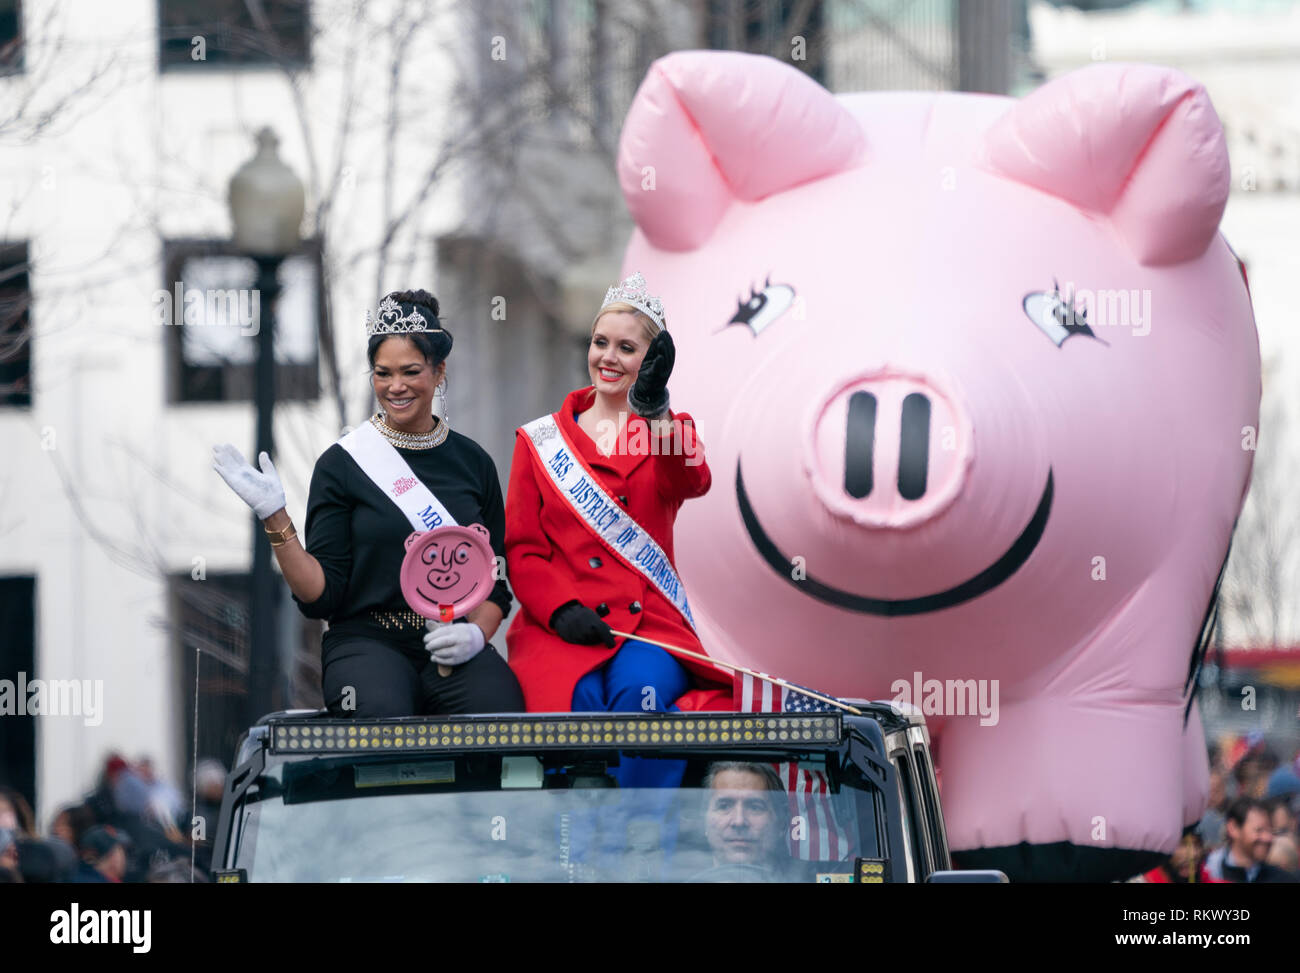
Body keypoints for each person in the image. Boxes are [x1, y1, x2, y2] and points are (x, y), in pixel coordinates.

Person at [214, 289, 524, 718]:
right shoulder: (343, 464)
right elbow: (319, 596)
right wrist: (274, 517)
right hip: (366, 642)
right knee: (380, 718)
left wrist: (475, 635)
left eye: (411, 371)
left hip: (449, 639)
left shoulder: (474, 463)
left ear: (439, 372)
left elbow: (495, 583)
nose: (396, 386)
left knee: (501, 712)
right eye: (383, 373)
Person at [505, 272, 729, 784]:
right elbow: (523, 548)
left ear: (651, 361)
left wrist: (656, 411)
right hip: (562, 624)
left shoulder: (668, 430)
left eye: (626, 348)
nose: (608, 357)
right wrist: (561, 610)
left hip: (647, 625)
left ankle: (642, 828)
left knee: (638, 699)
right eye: (600, 342)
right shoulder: (539, 440)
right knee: (574, 702)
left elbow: (694, 480)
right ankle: (574, 831)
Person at [692, 762, 791, 882]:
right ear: (704, 821)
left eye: (755, 807)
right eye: (724, 806)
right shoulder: (676, 876)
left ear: (782, 822)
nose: (739, 821)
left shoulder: (808, 878)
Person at [1204, 797, 1298, 883]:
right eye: (1259, 830)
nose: (1268, 838)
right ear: (1233, 828)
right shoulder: (1208, 871)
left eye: (1270, 830)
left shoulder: (1283, 879)